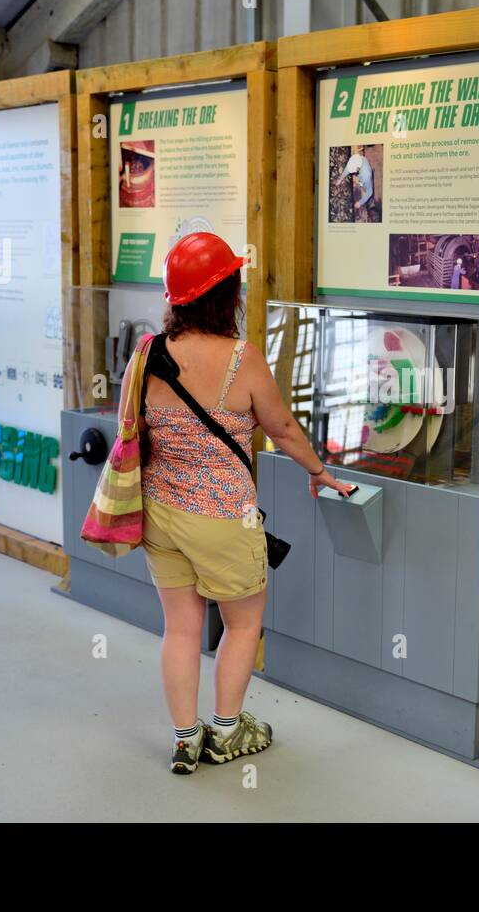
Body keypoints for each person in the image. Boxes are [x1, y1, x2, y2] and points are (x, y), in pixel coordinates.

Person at [126, 232, 353, 775]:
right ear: (227, 293)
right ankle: (227, 731)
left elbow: (131, 428)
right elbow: (283, 429)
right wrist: (320, 473)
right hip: (227, 517)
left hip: (160, 511)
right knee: (243, 625)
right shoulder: (241, 359)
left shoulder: (148, 353)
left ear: (175, 297)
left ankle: (185, 740)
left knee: (180, 627)